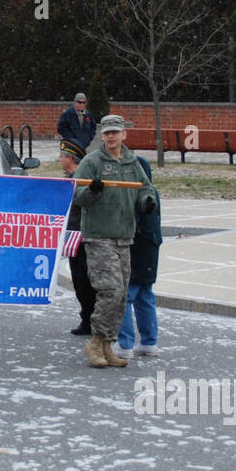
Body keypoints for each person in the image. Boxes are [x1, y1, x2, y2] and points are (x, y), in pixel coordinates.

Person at [71, 114, 158, 368]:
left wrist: (147, 202)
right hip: (99, 236)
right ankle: (95, 342)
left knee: (121, 297)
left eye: (115, 132)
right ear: (102, 135)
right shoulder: (92, 161)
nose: (111, 137)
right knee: (111, 291)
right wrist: (93, 191)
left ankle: (108, 345)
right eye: (107, 133)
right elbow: (77, 195)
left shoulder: (132, 163)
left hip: (124, 236)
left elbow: (145, 189)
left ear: (123, 134)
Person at [113, 153, 162, 359]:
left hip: (135, 248)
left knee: (126, 295)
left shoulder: (135, 195)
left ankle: (125, 344)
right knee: (145, 295)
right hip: (151, 248)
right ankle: (149, 341)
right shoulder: (153, 192)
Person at [59, 140, 96, 336]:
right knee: (79, 279)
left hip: (84, 236)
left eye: (62, 156)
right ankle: (87, 317)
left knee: (85, 280)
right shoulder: (70, 178)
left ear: (70, 158)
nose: (59, 160)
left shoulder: (81, 180)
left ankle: (90, 319)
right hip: (73, 236)